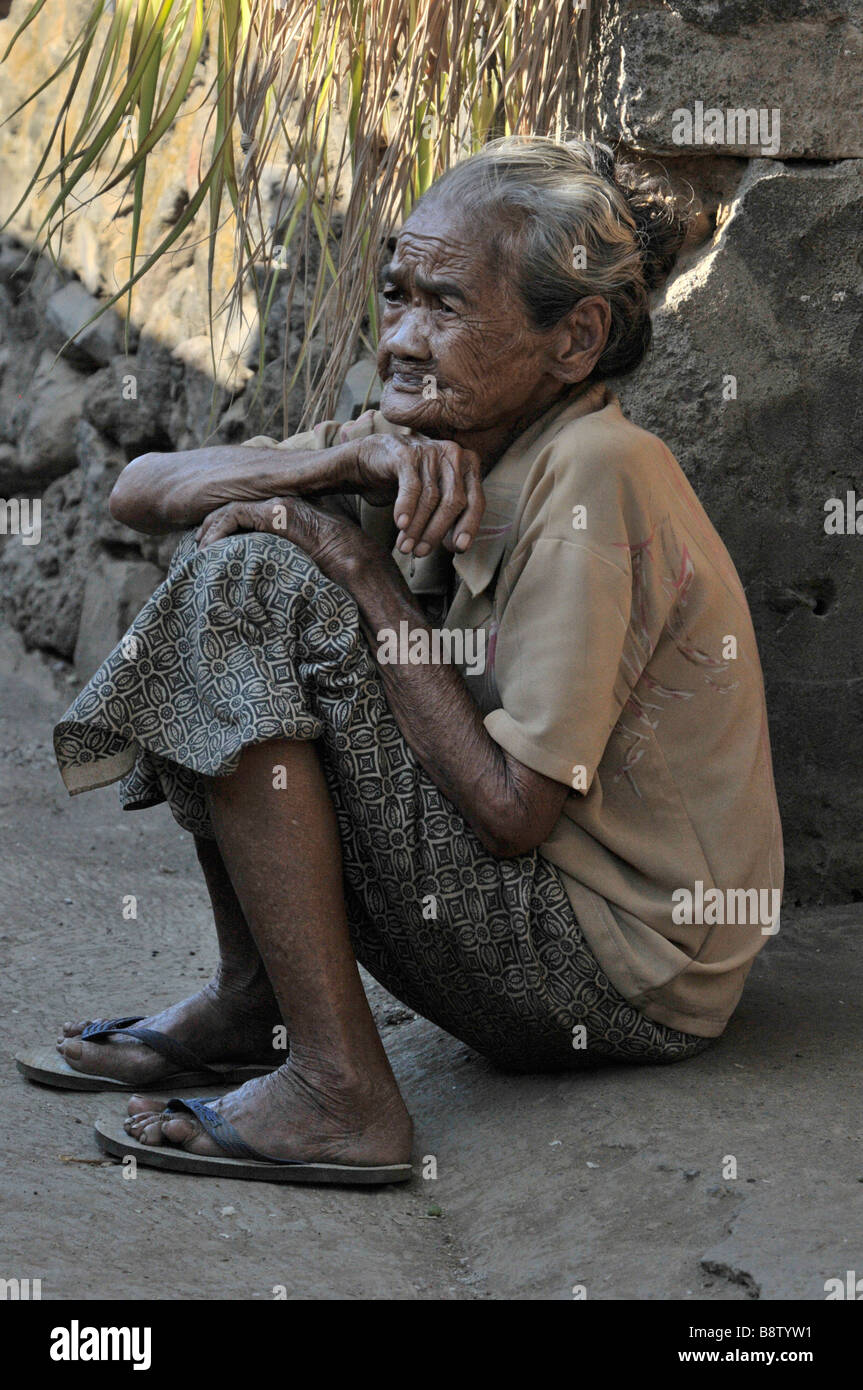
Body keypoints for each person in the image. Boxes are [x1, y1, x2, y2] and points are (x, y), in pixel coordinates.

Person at [19, 137, 783, 1184]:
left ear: (576, 338)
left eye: (446, 307)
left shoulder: (594, 473)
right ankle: (257, 1005)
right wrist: (336, 461)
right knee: (247, 552)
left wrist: (358, 571)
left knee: (254, 581)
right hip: (533, 911)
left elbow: (512, 812)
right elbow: (139, 490)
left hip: (617, 976)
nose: (402, 342)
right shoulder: (425, 435)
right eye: (395, 295)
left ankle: (341, 1096)